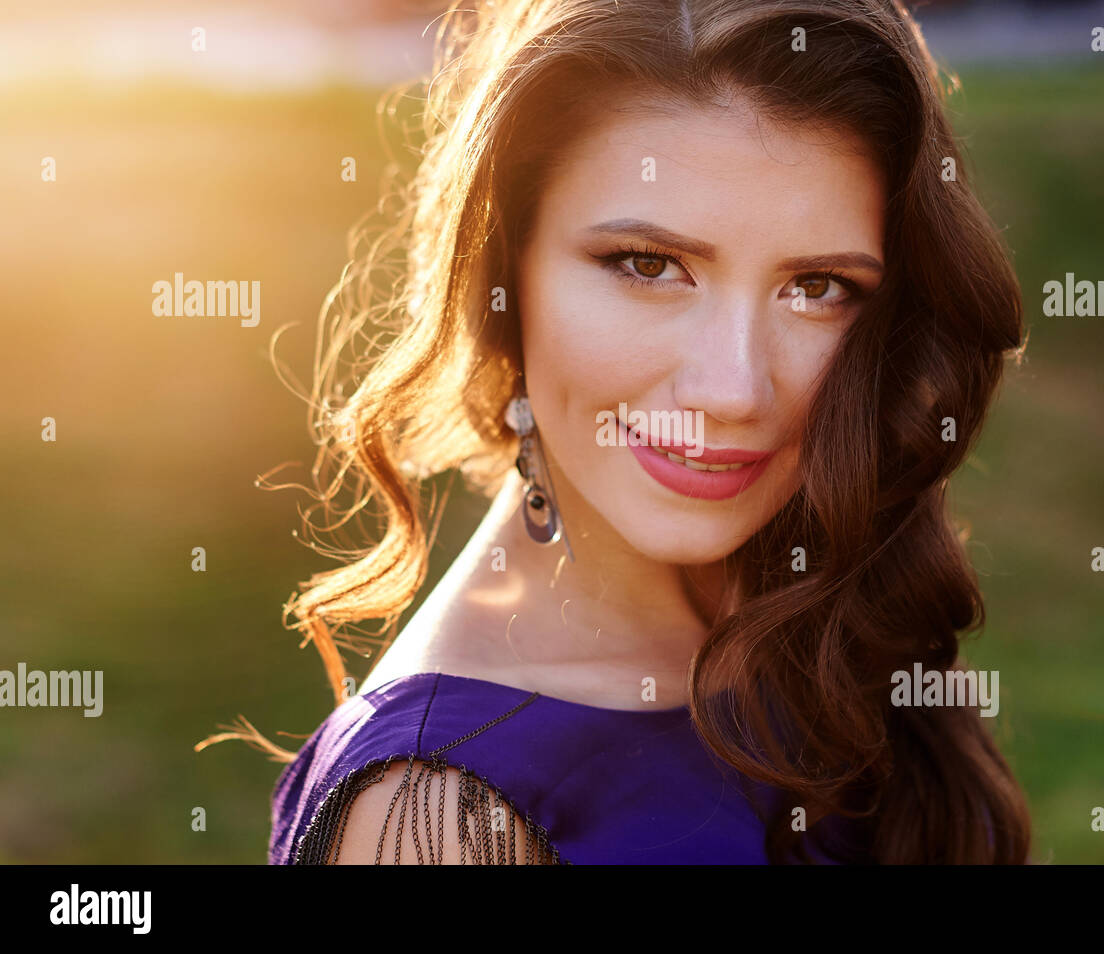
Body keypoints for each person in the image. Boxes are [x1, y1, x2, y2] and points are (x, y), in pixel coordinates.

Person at [206, 0, 1033, 864]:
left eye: (818, 286)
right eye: (648, 266)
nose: (735, 389)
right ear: (502, 266)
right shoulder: (440, 814)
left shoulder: (818, 605)